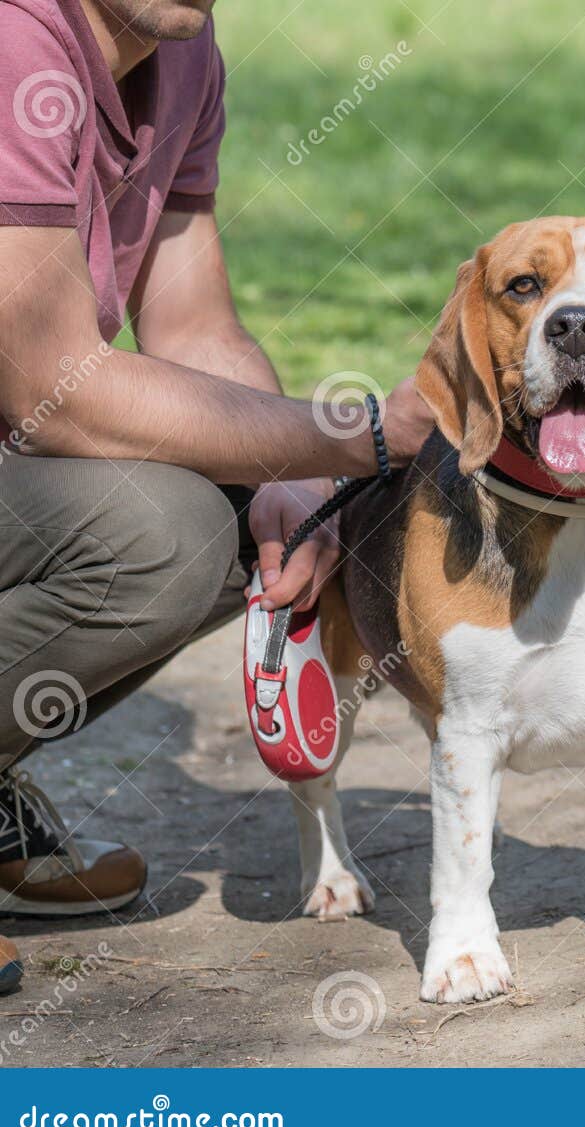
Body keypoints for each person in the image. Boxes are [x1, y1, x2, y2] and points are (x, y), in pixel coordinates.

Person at [0, 0, 433, 937]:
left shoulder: (182, 54)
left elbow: (194, 328)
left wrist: (301, 482)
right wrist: (359, 436)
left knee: (259, 522)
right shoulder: (12, 44)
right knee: (157, 535)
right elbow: (54, 385)